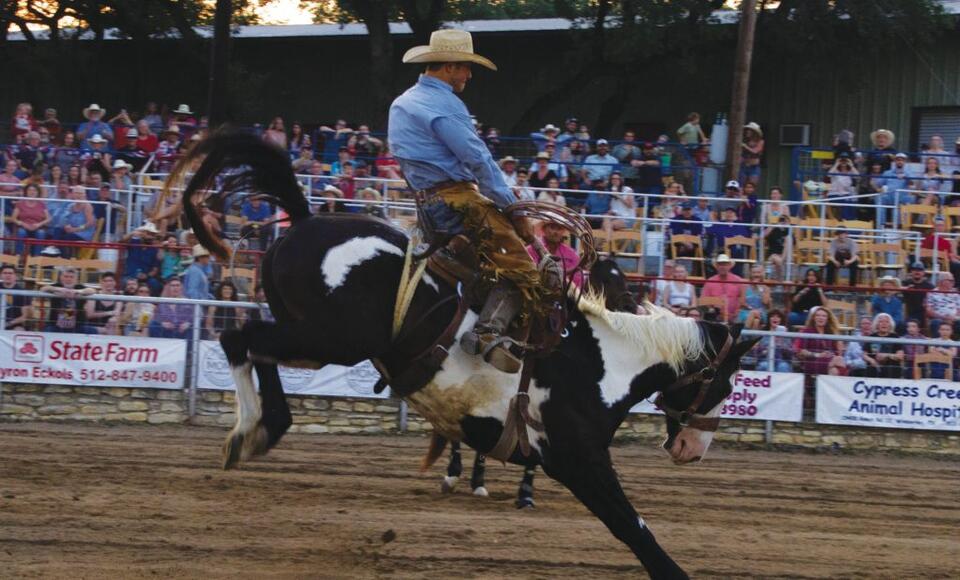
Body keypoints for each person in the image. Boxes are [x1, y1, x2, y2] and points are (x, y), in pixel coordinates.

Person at [388, 29, 542, 374]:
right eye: (465, 68)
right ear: (449, 67)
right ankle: (486, 335)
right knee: (523, 269)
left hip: (426, 205)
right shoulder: (443, 105)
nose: (469, 76)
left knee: (486, 266)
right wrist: (513, 209)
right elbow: (477, 159)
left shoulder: (403, 102)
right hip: (456, 202)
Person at [526, 222, 583, 288]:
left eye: (559, 228)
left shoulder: (572, 254)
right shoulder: (530, 250)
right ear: (544, 229)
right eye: (552, 227)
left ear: (563, 231)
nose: (556, 232)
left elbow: (578, 280)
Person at [793, 307, 846, 376]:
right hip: (812, 362)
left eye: (824, 316)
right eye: (818, 315)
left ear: (827, 319)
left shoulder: (831, 333)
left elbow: (836, 352)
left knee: (834, 371)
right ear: (814, 318)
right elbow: (801, 351)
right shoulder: (807, 331)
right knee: (839, 360)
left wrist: (837, 349)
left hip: (829, 361)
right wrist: (818, 355)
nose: (820, 318)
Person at [40, 267, 94, 334]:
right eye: (66, 276)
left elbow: (92, 291)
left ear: (76, 279)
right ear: (61, 278)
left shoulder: (79, 287)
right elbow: (43, 289)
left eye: (71, 277)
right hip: (55, 326)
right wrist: (59, 289)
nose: (68, 279)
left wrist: (77, 291)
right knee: (47, 331)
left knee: (92, 331)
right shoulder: (57, 286)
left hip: (78, 326)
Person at [701, 254, 744, 322]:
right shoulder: (710, 282)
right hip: (715, 317)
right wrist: (714, 307)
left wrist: (737, 313)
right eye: (720, 264)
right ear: (717, 266)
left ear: (729, 266)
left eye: (725, 264)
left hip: (736, 317)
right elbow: (703, 302)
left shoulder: (738, 281)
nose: (722, 267)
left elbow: (743, 300)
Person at [12, 182, 50, 255]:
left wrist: (39, 224)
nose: (32, 192)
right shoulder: (20, 203)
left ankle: (35, 259)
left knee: (41, 233)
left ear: (37, 192)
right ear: (26, 192)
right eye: (30, 190)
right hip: (24, 227)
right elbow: (13, 218)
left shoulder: (41, 204)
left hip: (37, 227)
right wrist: (22, 224)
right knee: (21, 232)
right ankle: (18, 257)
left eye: (34, 190)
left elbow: (48, 218)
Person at [864, 313, 904, 378]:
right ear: (877, 325)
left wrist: (886, 355)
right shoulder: (871, 337)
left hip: (891, 372)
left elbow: (900, 356)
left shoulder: (895, 337)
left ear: (890, 325)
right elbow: (864, 355)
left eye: (887, 322)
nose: (884, 324)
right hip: (874, 371)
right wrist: (871, 360)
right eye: (881, 322)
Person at [925, 271, 960, 337]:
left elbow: (959, 308)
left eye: (953, 280)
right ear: (942, 281)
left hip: (954, 318)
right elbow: (928, 310)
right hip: (939, 318)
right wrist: (943, 318)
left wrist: (953, 317)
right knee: (935, 323)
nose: (953, 282)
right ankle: (937, 345)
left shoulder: (955, 293)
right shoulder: (932, 293)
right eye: (950, 280)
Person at [0, 265, 33, 330]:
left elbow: (24, 316)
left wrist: (7, 324)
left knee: (19, 330)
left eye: (10, 273)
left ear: (15, 276)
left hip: (14, 323)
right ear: (1, 275)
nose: (7, 275)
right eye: (5, 273)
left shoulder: (23, 292)